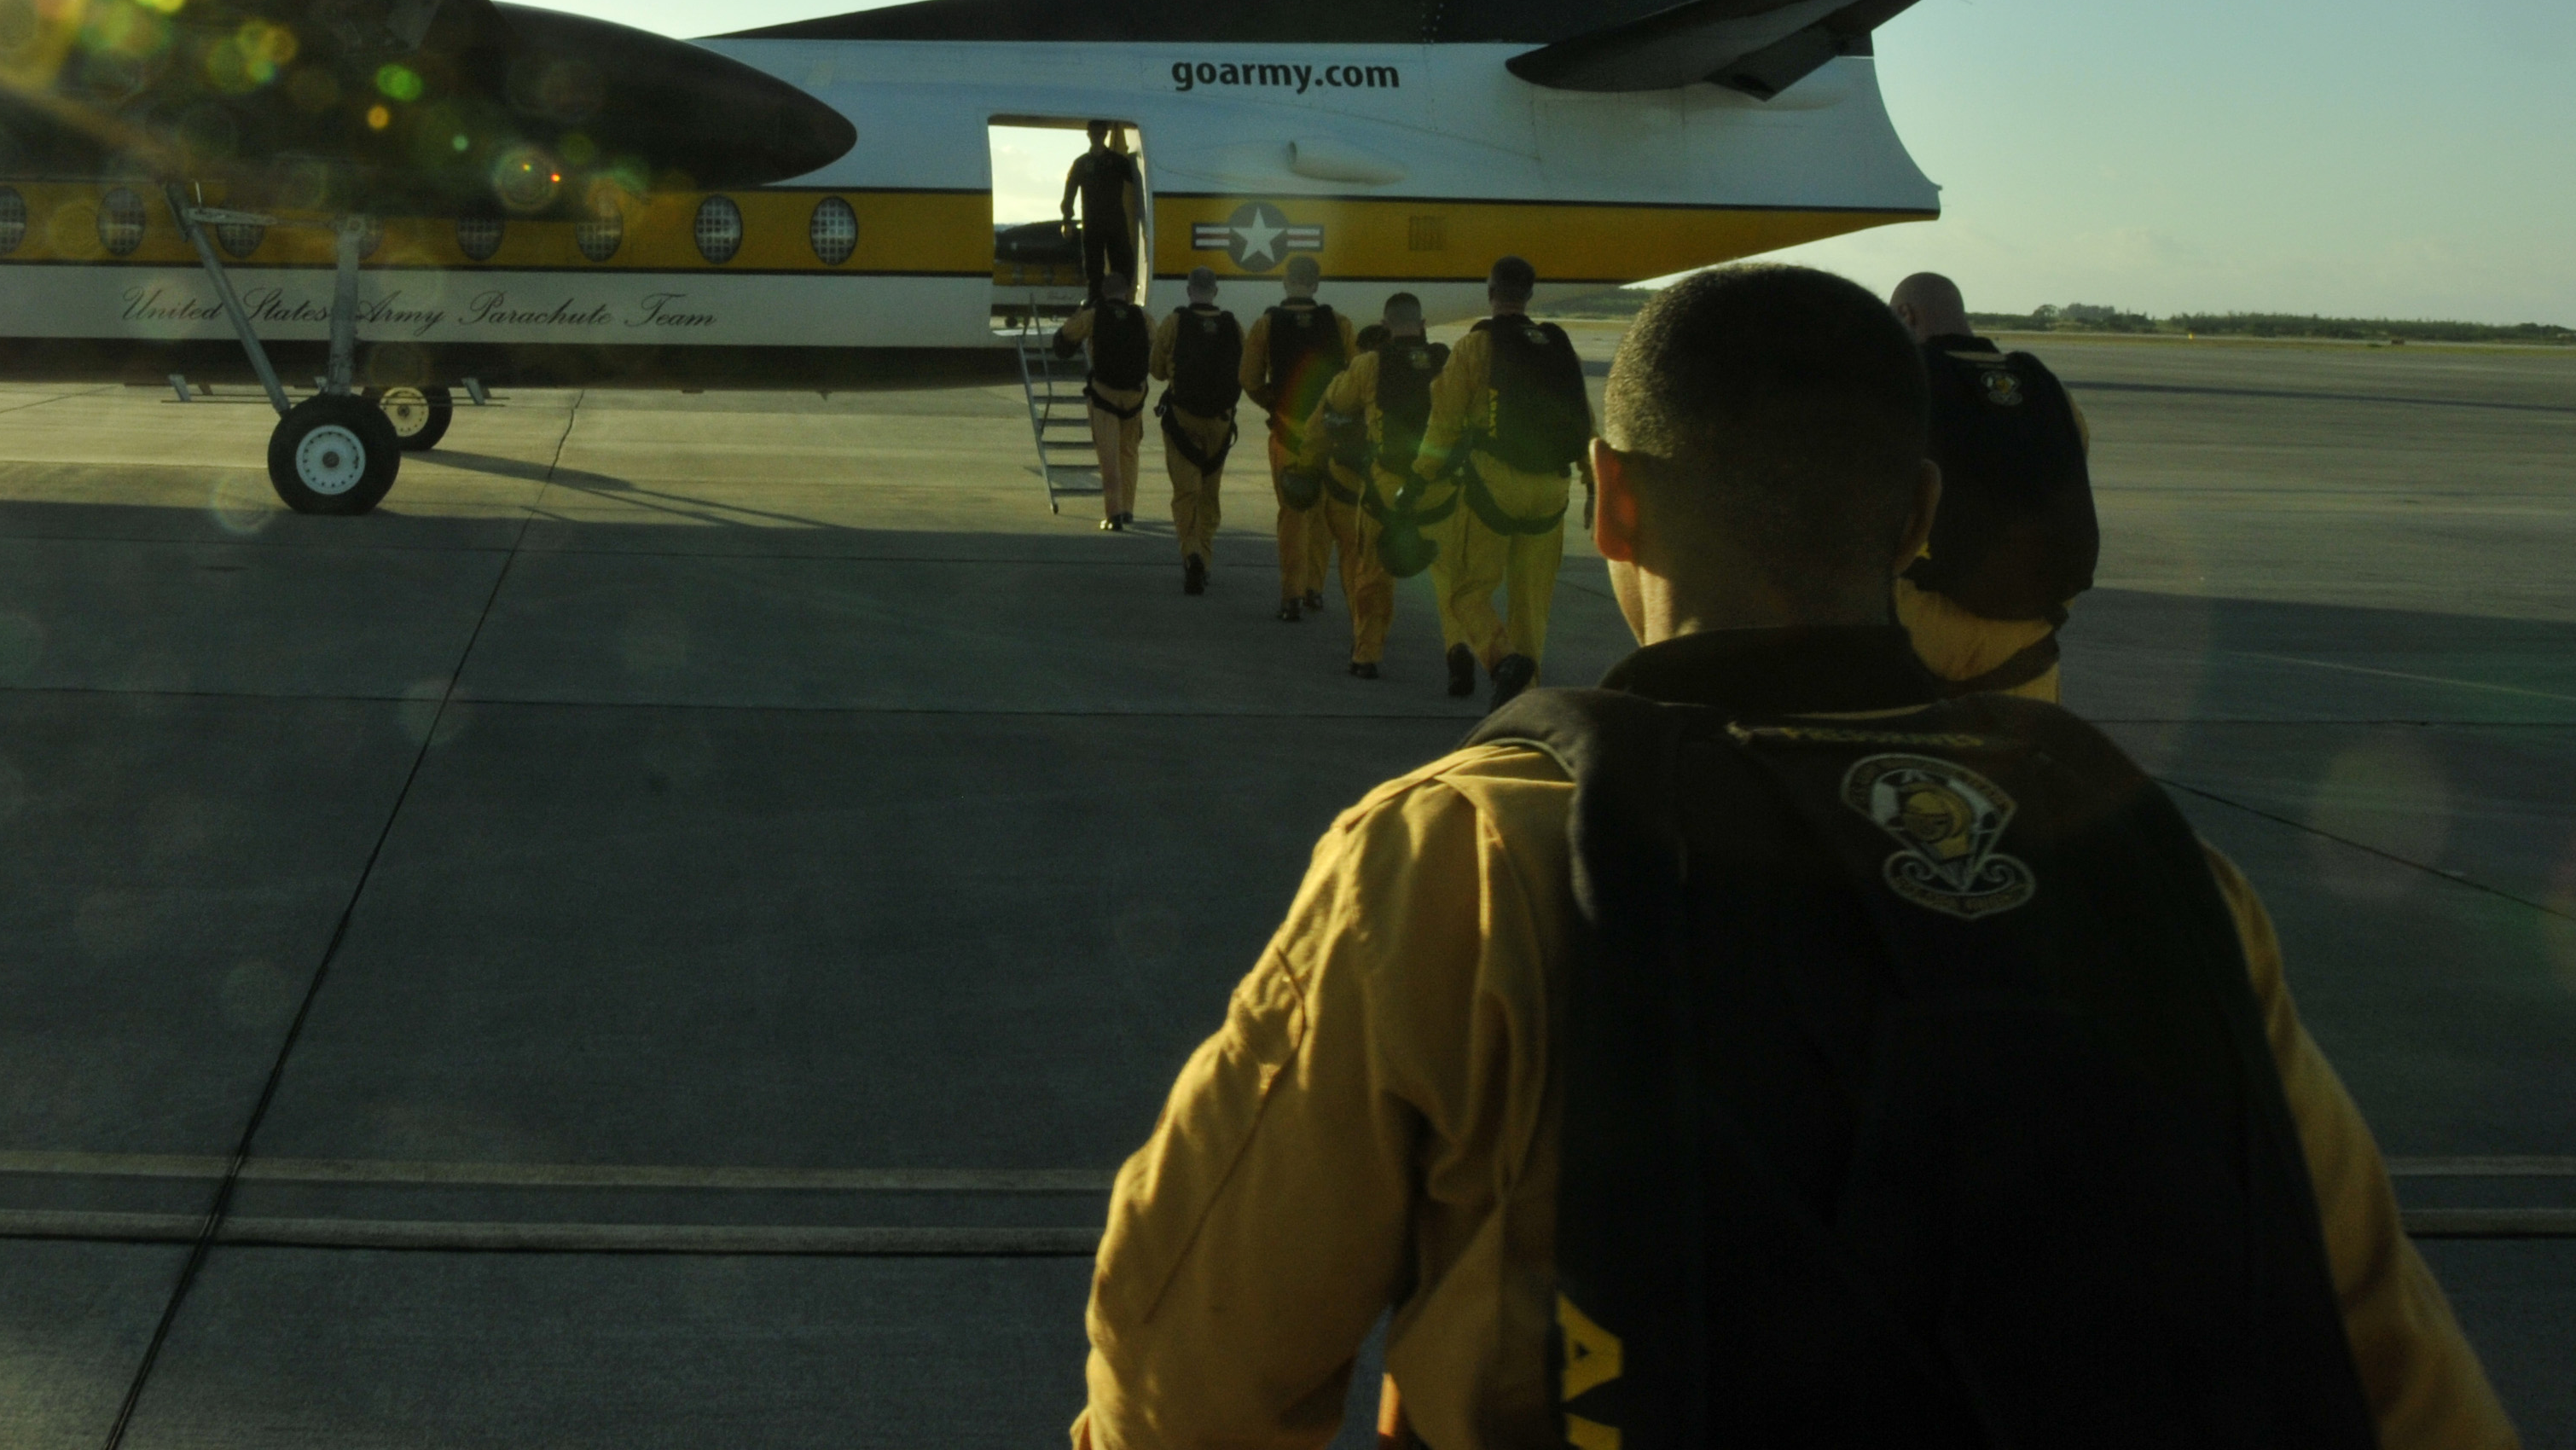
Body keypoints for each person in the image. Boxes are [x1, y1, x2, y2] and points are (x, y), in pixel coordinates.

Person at [1072, 264, 2511, 1450]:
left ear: (1612, 501)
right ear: (1917, 519)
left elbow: (1184, 1375)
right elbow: (2386, 1363)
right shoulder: (2156, 869)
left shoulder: (1466, 859)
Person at [1892, 270, 2097, 701]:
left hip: (1918, 642)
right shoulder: (2050, 391)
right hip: (2028, 649)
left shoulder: (1900, 386)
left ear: (1906, 315)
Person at [1409, 255, 1593, 703]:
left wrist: (1418, 479)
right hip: (1552, 491)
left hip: (1495, 487)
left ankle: (1503, 660)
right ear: (1530, 295)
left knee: (1466, 592)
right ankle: (1522, 701)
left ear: (1491, 292)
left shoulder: (1475, 347)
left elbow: (1444, 423)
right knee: (1530, 606)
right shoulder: (1558, 345)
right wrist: (1594, 483)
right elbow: (1583, 421)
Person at [1298, 293, 1448, 677]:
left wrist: (1307, 462)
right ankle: (1460, 651)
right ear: (1423, 324)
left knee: (1373, 576)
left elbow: (1331, 407)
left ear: (1384, 326)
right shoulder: (1446, 361)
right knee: (1456, 579)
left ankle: (1366, 655)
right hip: (1443, 488)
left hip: (1388, 487)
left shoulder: (1369, 365)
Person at [1241, 255, 1353, 623]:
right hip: (1330, 436)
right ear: (1316, 285)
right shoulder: (1339, 324)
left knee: (1293, 514)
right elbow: (1355, 377)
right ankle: (1315, 589)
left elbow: (1249, 378)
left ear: (1286, 283)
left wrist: (1271, 403)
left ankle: (1291, 596)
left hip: (1288, 432)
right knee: (1322, 515)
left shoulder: (1267, 324)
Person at [1152, 267, 1244, 594]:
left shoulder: (1174, 322)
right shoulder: (1233, 325)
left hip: (1183, 419)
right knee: (1209, 495)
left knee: (1185, 493)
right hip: (1220, 424)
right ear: (1215, 292)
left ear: (1189, 290)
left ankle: (1191, 554)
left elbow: (1157, 370)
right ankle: (1204, 556)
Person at [1055, 271, 1152, 532]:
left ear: (1103, 293)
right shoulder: (1142, 317)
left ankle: (1113, 514)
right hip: (1134, 397)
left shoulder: (1094, 316)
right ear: (1127, 293)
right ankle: (1128, 509)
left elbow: (1065, 336)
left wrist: (1081, 310)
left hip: (1104, 396)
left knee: (1108, 456)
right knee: (1129, 452)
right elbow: (1157, 344)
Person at [1059, 122, 1147, 306]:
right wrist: (1067, 220)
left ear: (1105, 135)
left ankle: (1121, 299)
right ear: (1089, 135)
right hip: (1092, 222)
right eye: (1094, 134)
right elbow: (1069, 192)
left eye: (1100, 134)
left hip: (1115, 221)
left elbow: (1141, 183)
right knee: (1094, 268)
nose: (1097, 137)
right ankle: (1095, 302)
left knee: (1123, 263)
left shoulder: (1117, 162)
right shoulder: (1081, 163)